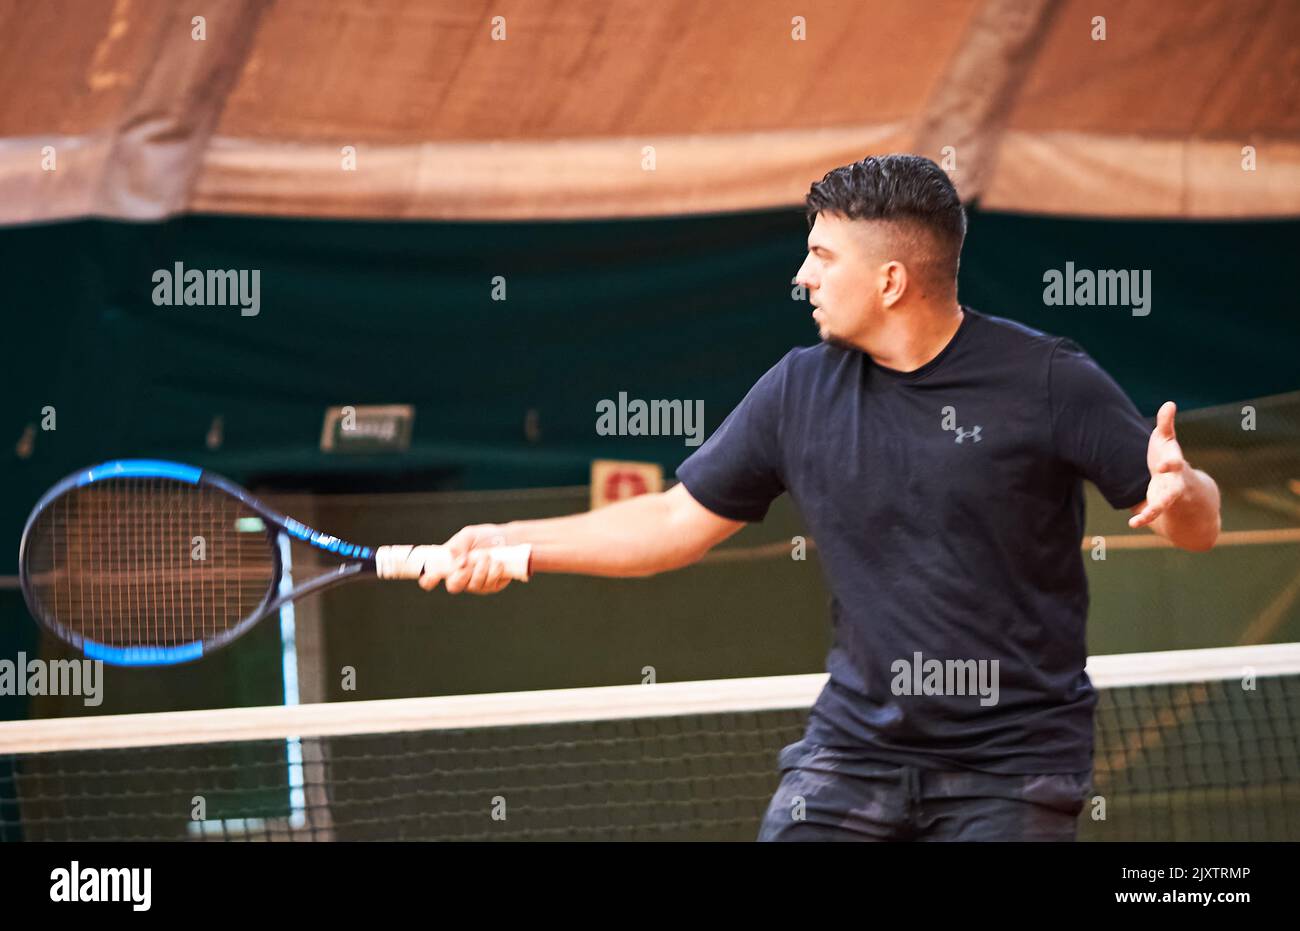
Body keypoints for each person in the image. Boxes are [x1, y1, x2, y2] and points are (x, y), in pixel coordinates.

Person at [420, 154, 1221, 841]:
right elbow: (671, 521)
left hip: (1012, 763)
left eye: (821, 255)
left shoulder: (1050, 381)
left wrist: (1181, 492)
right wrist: (509, 539)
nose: (801, 275)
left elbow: (1197, 527)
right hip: (852, 752)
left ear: (892, 279)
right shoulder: (796, 389)